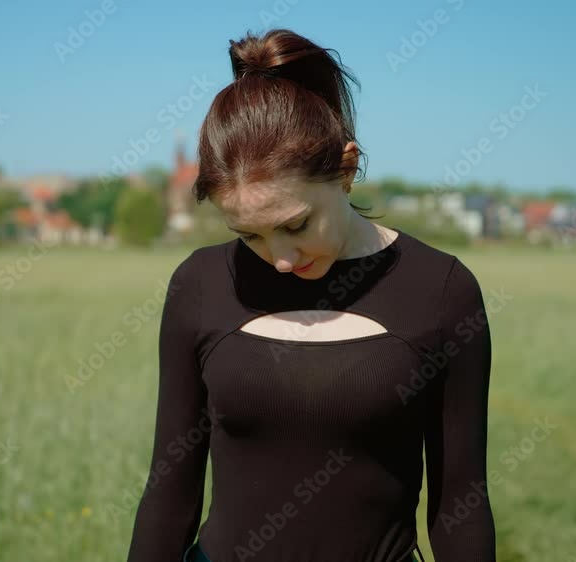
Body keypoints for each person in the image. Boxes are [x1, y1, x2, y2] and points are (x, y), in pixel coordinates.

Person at [126, 28, 496, 562]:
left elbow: (460, 502)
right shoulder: (199, 285)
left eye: (296, 225)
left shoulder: (441, 292)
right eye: (249, 236)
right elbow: (168, 492)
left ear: (346, 169)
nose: (278, 258)